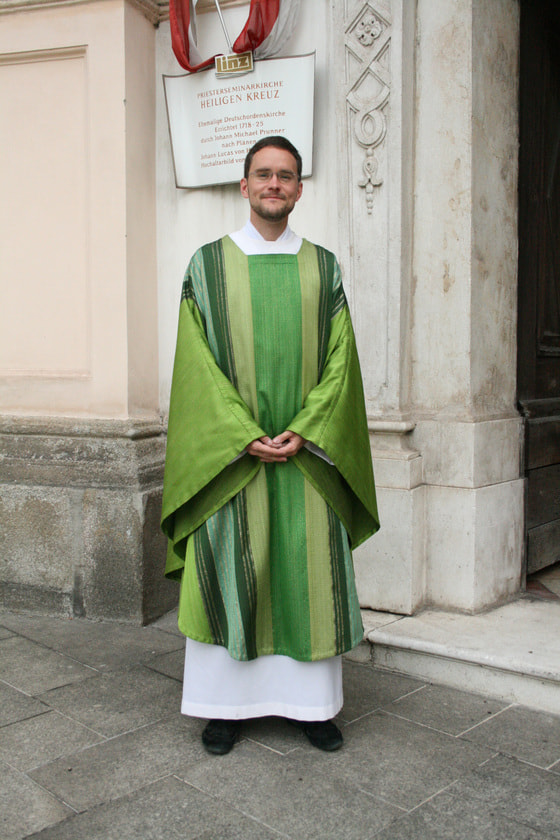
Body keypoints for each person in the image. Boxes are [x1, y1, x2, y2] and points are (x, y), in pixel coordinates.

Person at [161, 136, 379, 755]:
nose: (274, 184)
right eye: (263, 174)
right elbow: (195, 365)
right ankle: (223, 708)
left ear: (299, 189)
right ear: (245, 185)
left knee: (306, 571)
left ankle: (312, 709)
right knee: (232, 568)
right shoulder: (206, 266)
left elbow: (342, 362)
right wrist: (242, 435)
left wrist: (307, 428)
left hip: (304, 455)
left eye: (285, 175)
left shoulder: (324, 267)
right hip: (234, 458)